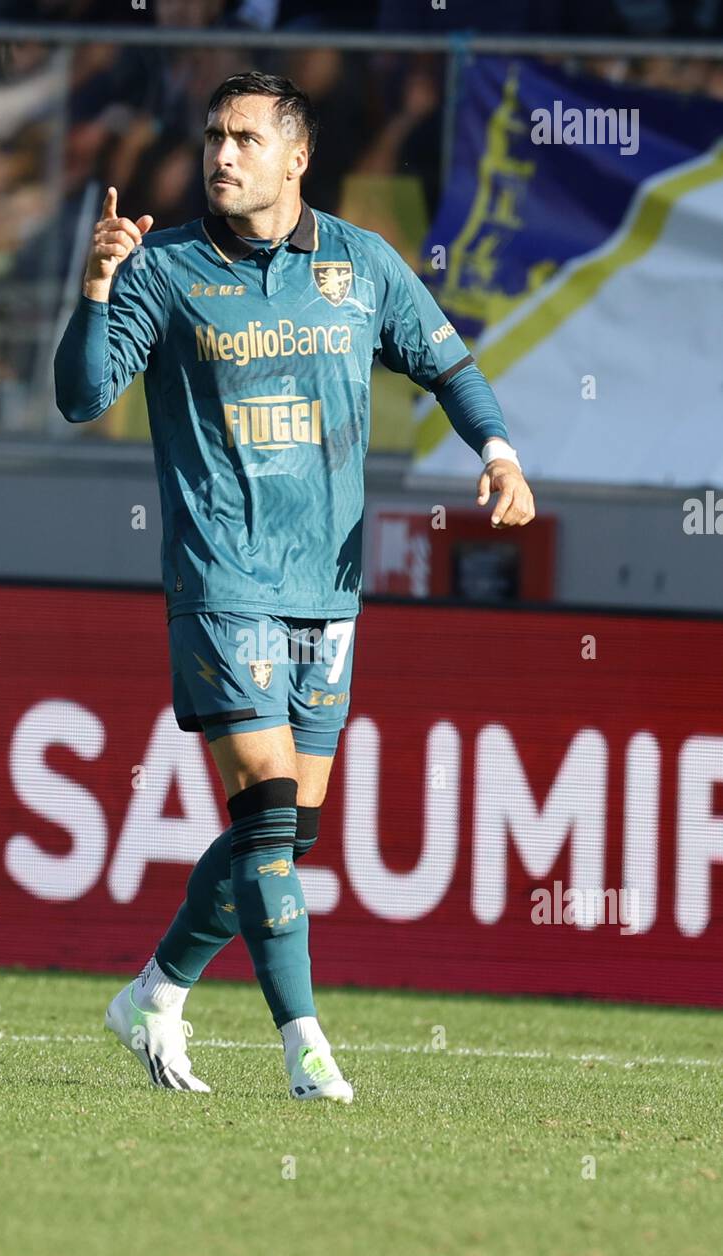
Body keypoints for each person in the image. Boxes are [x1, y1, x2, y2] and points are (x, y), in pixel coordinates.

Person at [54, 70, 534, 1102]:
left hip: (329, 585)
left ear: (294, 157)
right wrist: (96, 288)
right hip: (222, 579)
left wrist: (495, 449)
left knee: (279, 835)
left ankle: (155, 989)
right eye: (211, 137)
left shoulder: (359, 267)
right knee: (270, 820)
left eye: (241, 139)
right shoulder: (167, 268)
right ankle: (305, 1048)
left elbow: (448, 364)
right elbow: (81, 396)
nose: (219, 156)